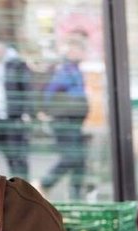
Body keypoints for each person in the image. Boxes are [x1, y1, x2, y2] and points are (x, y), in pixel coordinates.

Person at [36, 33, 90, 200]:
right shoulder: (64, 70)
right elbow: (51, 92)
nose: (82, 54)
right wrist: (47, 110)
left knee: (79, 161)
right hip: (64, 122)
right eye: (79, 50)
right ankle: (44, 184)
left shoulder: (74, 69)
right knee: (71, 157)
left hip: (73, 122)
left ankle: (76, 197)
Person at [0, 36, 31, 180]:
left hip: (14, 117)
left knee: (18, 155)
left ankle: (23, 186)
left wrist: (27, 112)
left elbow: (27, 88)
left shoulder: (17, 64)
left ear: (2, 45)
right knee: (8, 154)